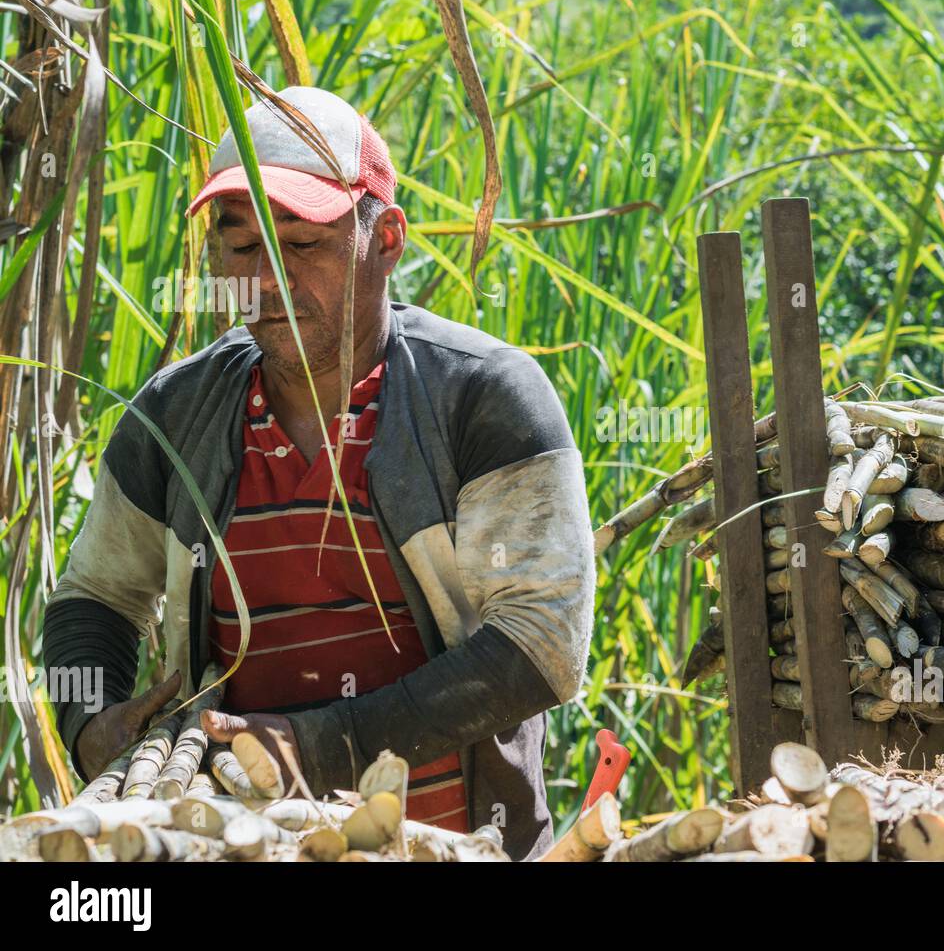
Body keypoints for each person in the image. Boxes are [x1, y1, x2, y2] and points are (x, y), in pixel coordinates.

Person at [41, 85, 595, 860]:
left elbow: (541, 646)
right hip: (235, 844)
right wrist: (91, 722)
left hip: (452, 846)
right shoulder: (174, 416)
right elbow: (95, 597)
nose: (266, 279)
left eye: (303, 245)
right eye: (241, 248)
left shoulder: (483, 398)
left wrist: (316, 744)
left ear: (388, 238)